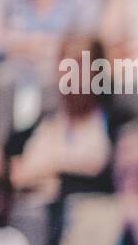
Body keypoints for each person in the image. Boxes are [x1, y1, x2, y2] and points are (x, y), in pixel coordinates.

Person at [10, 34, 114, 199]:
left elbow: (110, 178)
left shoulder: (117, 126)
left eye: (80, 64)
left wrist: (54, 176)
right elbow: (13, 176)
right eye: (65, 63)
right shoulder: (37, 126)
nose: (71, 73)